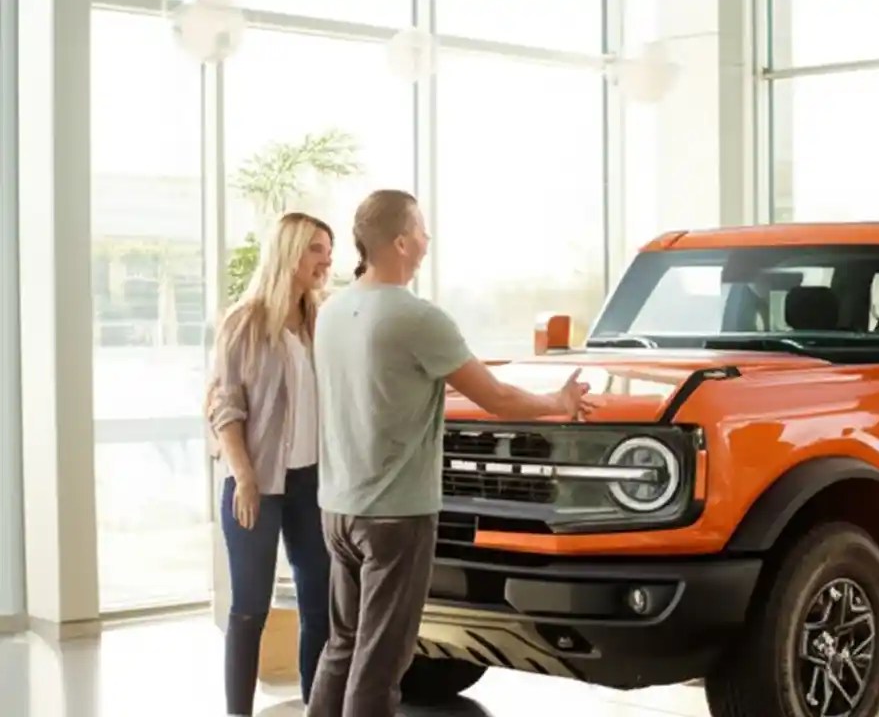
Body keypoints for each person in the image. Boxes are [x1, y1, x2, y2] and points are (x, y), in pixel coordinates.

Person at [306, 189, 602, 717]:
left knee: (342, 648)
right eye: (420, 231)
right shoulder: (417, 317)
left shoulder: (332, 310)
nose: (426, 241)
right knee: (380, 664)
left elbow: (393, 379)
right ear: (400, 242)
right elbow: (498, 398)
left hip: (339, 509)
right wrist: (558, 401)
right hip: (395, 515)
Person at [206, 212, 335, 717]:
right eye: (316, 250)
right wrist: (244, 477)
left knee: (319, 605)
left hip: (311, 484)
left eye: (328, 249)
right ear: (290, 253)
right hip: (256, 484)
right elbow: (225, 406)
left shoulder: (321, 323)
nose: (327, 260)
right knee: (249, 609)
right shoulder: (246, 322)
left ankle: (315, 706)